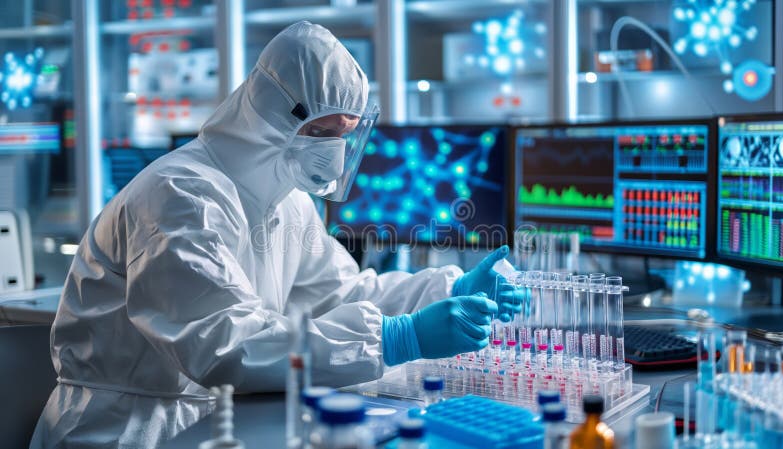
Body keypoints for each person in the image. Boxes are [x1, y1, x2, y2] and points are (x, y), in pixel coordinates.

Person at [29, 22, 520, 449]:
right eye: (322, 132)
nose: (336, 150)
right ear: (273, 114)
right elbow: (225, 345)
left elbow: (339, 294)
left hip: (214, 422)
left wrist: (445, 288)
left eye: (344, 133)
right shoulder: (181, 195)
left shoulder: (288, 203)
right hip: (127, 431)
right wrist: (399, 338)